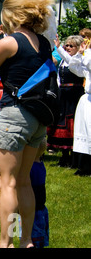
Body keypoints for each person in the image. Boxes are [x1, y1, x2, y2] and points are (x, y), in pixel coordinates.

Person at [0, 0, 56, 248]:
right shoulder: (44, 43)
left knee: (6, 182)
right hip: (37, 119)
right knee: (23, 181)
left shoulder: (9, 43)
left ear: (12, 15)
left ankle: (6, 242)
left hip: (14, 117)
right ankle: (27, 240)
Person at [47, 35, 85, 167]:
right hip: (63, 94)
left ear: (79, 48)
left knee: (72, 124)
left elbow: (73, 65)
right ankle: (64, 156)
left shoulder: (78, 61)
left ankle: (73, 157)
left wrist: (59, 49)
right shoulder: (64, 61)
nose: (67, 48)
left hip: (74, 95)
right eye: (66, 45)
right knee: (60, 122)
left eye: (71, 46)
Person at [68, 41, 91, 176]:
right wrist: (79, 54)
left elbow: (89, 63)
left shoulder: (89, 56)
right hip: (87, 99)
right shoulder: (87, 55)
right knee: (84, 133)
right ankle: (85, 165)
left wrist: (86, 53)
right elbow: (74, 68)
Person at [30, 138, 49, 248]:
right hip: (40, 206)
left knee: (34, 236)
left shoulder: (30, 168)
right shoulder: (41, 165)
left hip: (33, 208)